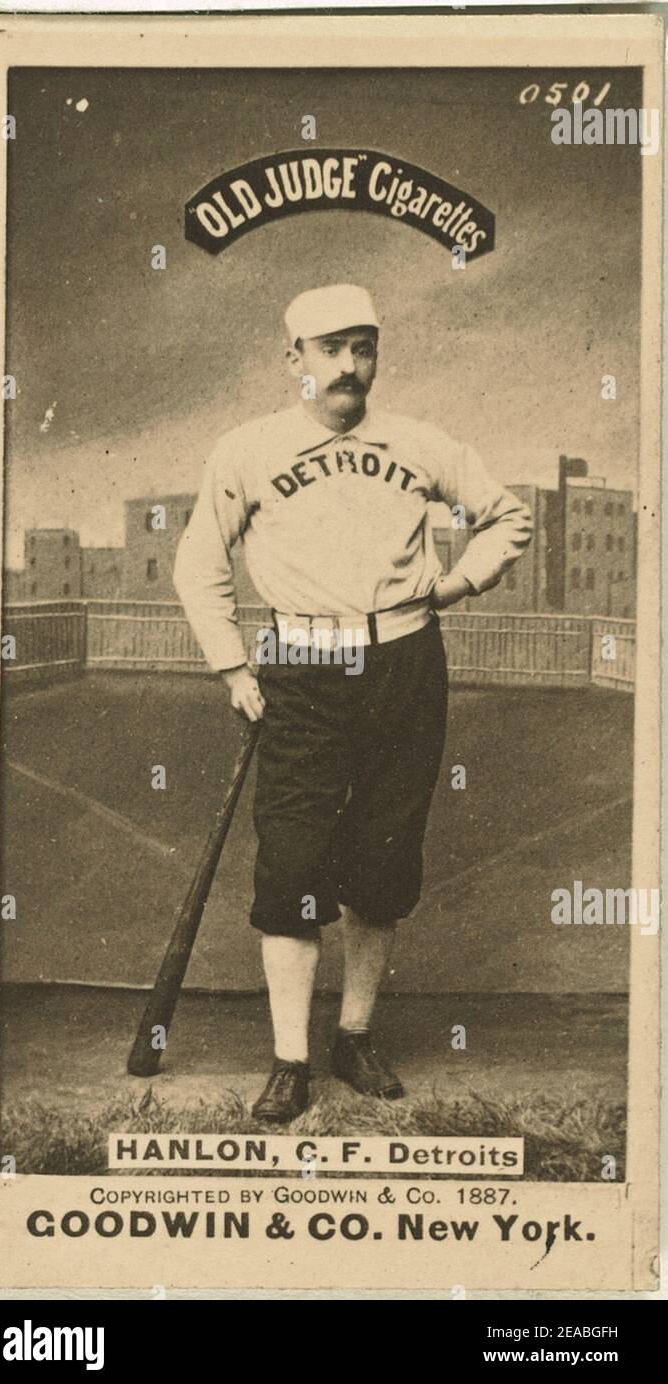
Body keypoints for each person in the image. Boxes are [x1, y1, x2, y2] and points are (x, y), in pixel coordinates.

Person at [174, 283, 533, 1122]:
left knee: (381, 858)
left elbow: (506, 518)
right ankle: (290, 1058)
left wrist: (454, 584)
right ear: (292, 360)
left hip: (405, 655)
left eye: (361, 347)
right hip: (301, 656)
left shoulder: (419, 442)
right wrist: (232, 667)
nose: (347, 365)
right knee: (293, 860)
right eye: (329, 348)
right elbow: (200, 563)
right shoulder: (247, 449)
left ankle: (354, 1036)